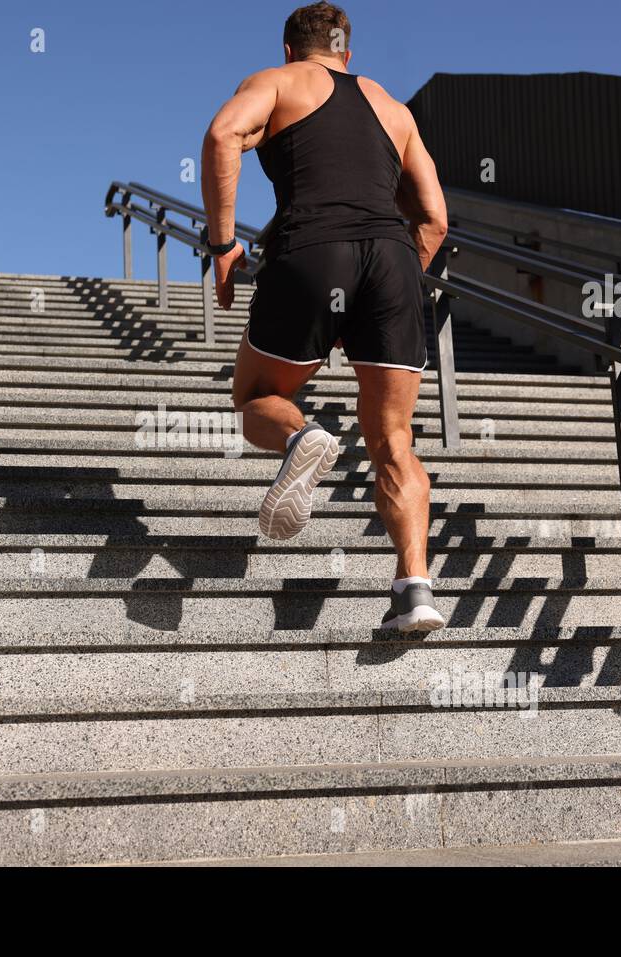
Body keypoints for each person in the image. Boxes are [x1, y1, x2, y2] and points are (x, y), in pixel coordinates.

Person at [200, 1, 449, 632]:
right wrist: (387, 288)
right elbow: (435, 219)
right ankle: (416, 587)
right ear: (347, 53)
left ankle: (298, 440)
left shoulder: (275, 82)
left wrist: (225, 245)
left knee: (257, 391)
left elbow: (224, 133)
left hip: (312, 251)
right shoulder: (395, 110)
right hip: (392, 262)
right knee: (394, 438)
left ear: (289, 49)